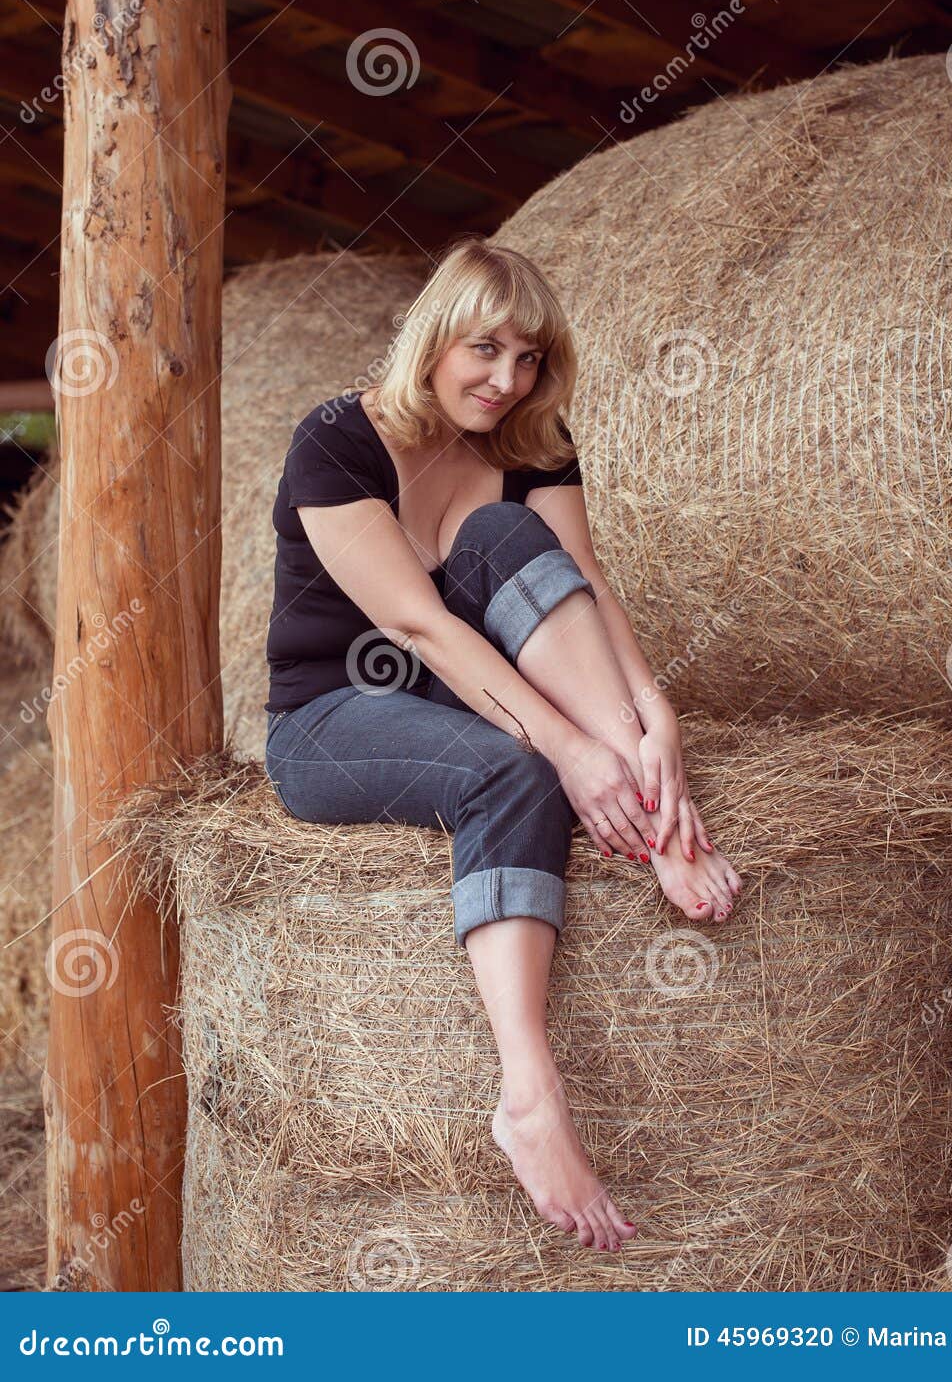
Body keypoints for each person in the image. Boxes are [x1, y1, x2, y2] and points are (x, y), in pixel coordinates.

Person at [263, 236, 742, 1253]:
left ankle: (654, 817)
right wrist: (568, 752)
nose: (506, 378)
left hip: (465, 687)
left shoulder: (530, 436)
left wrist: (652, 725)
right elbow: (421, 628)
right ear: (434, 336)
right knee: (511, 767)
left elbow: (586, 581)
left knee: (507, 541)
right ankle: (530, 1093)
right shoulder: (337, 441)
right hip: (333, 716)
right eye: (485, 348)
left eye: (528, 356)